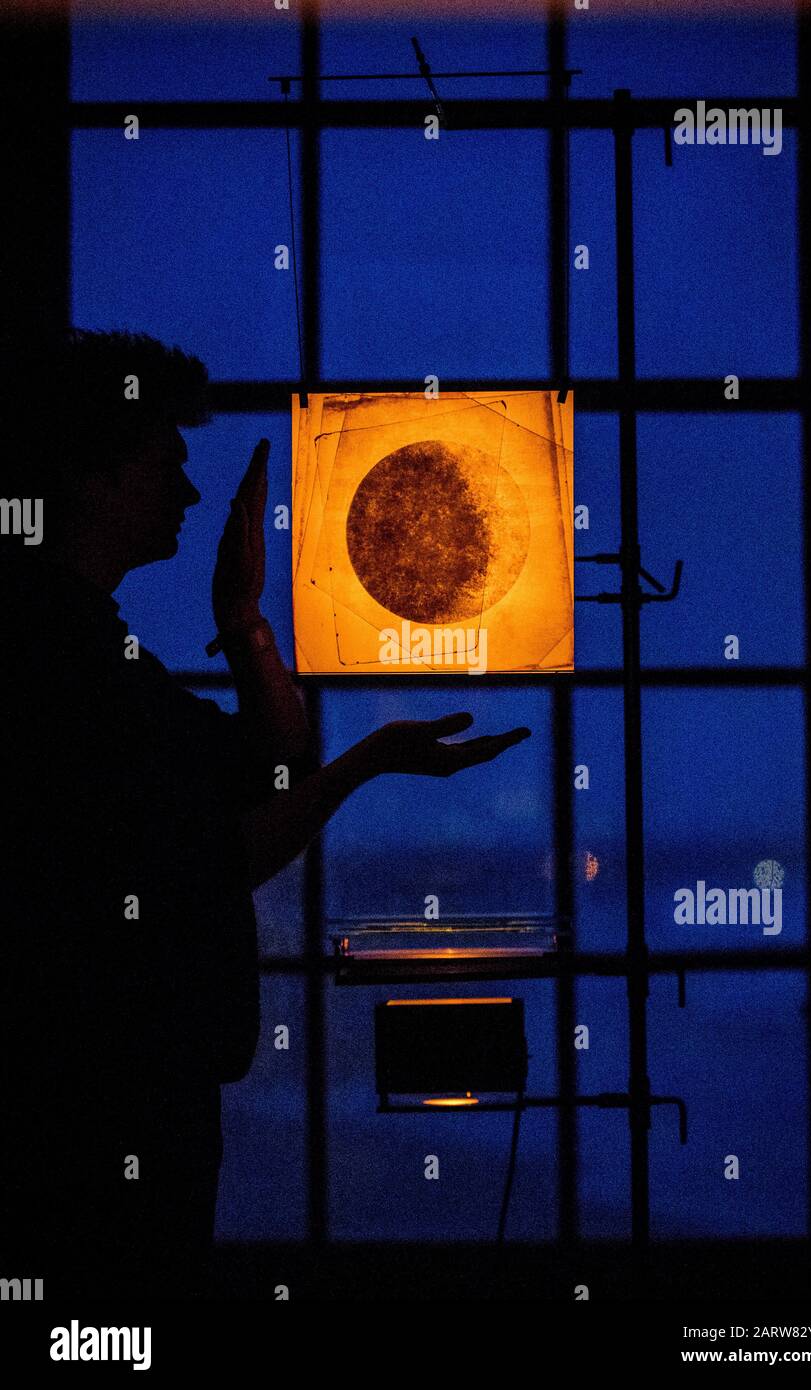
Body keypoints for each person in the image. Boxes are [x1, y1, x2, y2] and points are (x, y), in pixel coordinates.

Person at [0, 329, 530, 1300]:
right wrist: (254, 629)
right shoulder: (67, 666)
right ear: (95, 475)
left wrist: (249, 623)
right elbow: (246, 819)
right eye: (167, 461)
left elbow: (259, 780)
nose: (193, 494)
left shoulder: (76, 649)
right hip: (102, 1106)